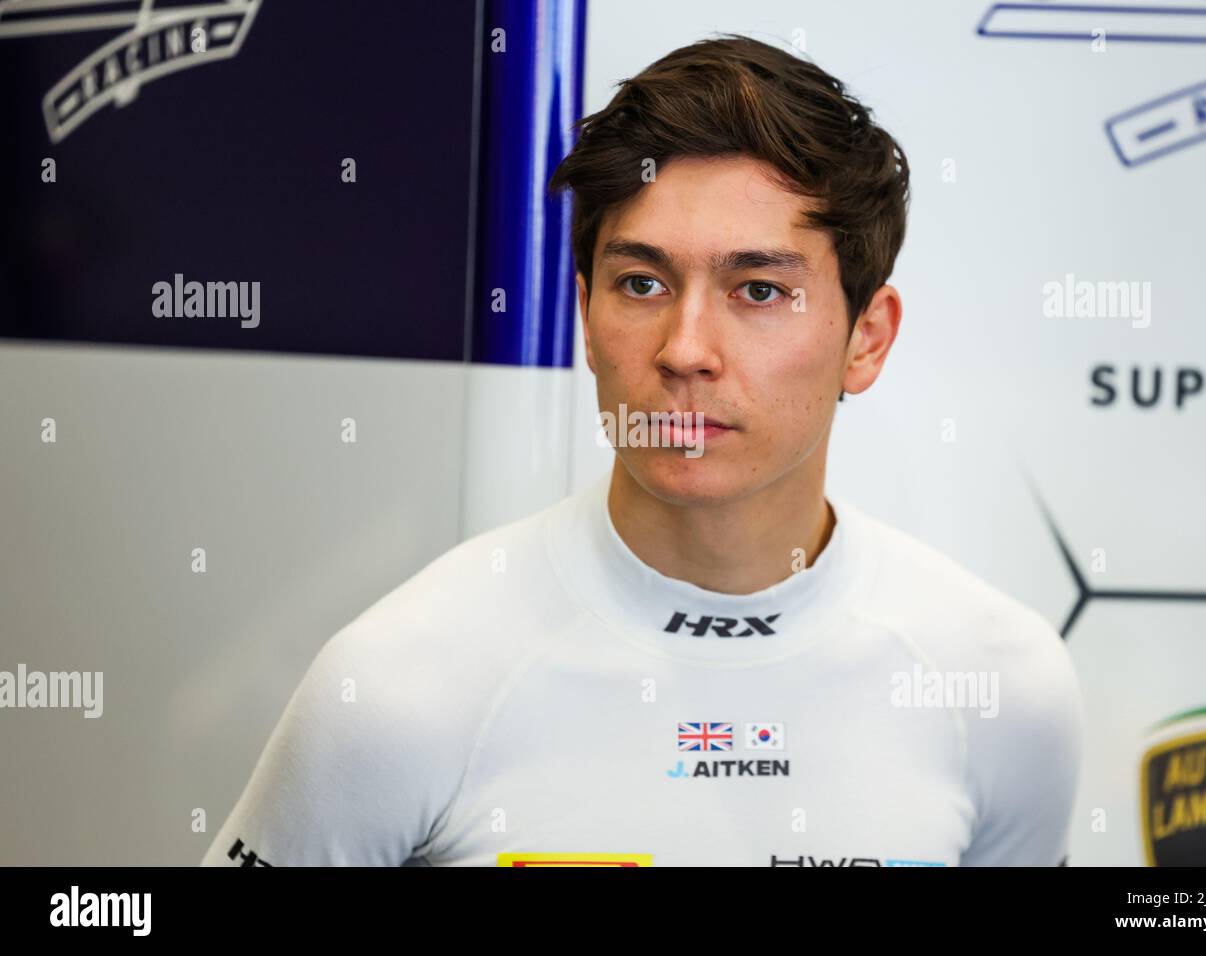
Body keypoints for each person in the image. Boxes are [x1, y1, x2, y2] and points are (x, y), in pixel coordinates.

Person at [202, 33, 1083, 868]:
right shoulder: (398, 684)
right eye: (643, 283)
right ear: (586, 314)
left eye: (760, 289)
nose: (686, 347)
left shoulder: (998, 683)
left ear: (867, 339)